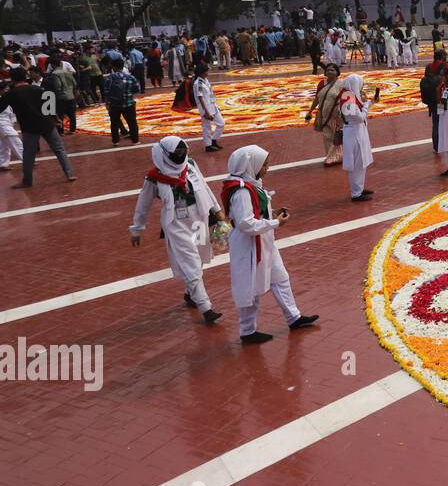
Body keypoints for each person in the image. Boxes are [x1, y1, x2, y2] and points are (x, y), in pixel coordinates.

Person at [221, 146, 318, 344]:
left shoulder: (252, 184)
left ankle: (294, 317)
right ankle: (247, 331)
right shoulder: (241, 191)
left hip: (264, 241)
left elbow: (255, 212)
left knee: (280, 278)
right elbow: (246, 223)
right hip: (250, 244)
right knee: (250, 287)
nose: (267, 168)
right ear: (251, 165)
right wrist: (276, 223)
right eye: (264, 164)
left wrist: (271, 214)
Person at [130, 136, 224, 325]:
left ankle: (190, 293)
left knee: (199, 257)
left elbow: (204, 187)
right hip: (176, 224)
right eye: (177, 153)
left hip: (198, 217)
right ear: (165, 154)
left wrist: (217, 210)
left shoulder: (190, 165)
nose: (181, 156)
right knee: (190, 262)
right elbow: (144, 203)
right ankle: (206, 307)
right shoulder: (154, 178)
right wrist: (137, 228)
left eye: (183, 152)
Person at [0, 69, 76, 187]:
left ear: (13, 79)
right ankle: (69, 174)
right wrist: (55, 117)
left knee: (28, 154)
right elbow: (50, 103)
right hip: (47, 124)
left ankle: (27, 181)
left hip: (29, 127)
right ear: (26, 77)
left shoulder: (11, 94)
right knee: (59, 149)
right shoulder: (38, 89)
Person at [338, 74, 377, 202]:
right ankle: (356, 193)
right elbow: (359, 117)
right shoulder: (347, 99)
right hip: (354, 133)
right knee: (356, 163)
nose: (361, 88)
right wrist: (367, 104)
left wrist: (371, 102)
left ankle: (359, 188)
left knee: (361, 162)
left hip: (358, 131)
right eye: (360, 85)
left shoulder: (351, 96)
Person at [305, 62, 345, 166]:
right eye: (327, 70)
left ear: (337, 72)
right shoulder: (322, 83)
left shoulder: (342, 84)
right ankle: (331, 156)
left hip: (337, 115)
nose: (329, 72)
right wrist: (310, 111)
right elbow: (317, 98)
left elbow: (346, 98)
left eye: (332, 70)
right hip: (324, 114)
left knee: (337, 135)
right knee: (327, 136)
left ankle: (335, 157)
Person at [102, 57, 141, 145]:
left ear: (114, 67)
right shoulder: (130, 77)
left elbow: (106, 92)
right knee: (132, 122)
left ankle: (115, 141)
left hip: (114, 104)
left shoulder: (109, 78)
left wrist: (107, 103)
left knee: (114, 123)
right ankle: (135, 140)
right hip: (128, 103)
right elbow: (136, 90)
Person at [192, 63, 224, 152]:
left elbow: (211, 93)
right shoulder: (198, 84)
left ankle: (213, 140)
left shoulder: (205, 80)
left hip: (213, 106)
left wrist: (216, 105)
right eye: (206, 70)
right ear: (202, 72)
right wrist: (206, 112)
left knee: (221, 123)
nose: (208, 72)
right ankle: (208, 145)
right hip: (205, 108)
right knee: (207, 127)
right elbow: (200, 98)